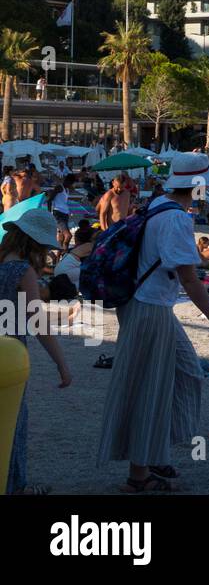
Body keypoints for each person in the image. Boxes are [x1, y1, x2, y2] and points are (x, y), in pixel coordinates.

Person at [98, 153, 209, 492]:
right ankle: (139, 476)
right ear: (196, 185)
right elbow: (189, 279)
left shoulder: (159, 204)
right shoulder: (176, 218)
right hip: (151, 308)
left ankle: (155, 451)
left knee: (187, 372)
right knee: (150, 389)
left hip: (147, 302)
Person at [1, 208, 73, 494]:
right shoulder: (23, 271)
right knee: (13, 420)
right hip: (10, 354)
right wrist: (61, 364)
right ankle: (14, 485)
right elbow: (38, 323)